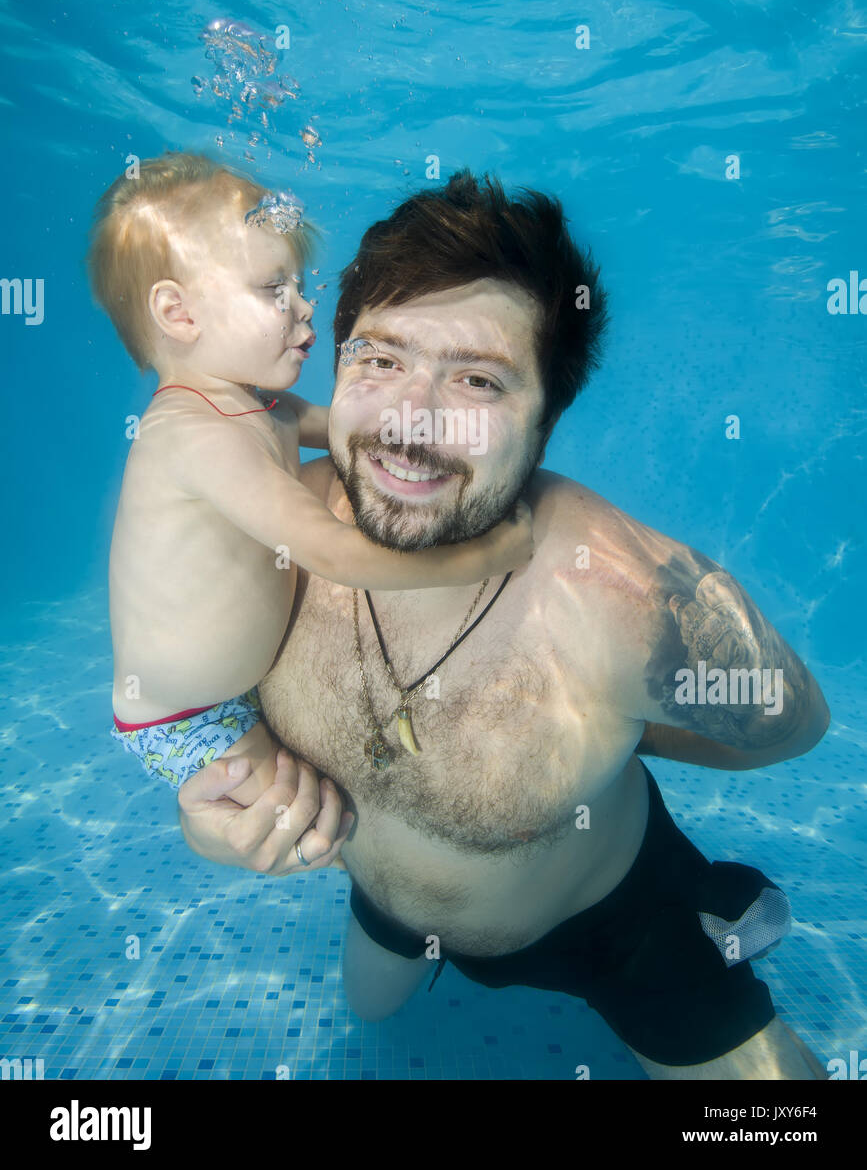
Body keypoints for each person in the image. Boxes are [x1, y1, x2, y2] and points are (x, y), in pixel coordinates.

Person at [176, 169, 831, 1080]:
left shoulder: (630, 599)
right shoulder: (265, 537)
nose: (410, 421)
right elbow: (198, 710)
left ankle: (708, 898)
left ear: (546, 421)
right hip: (397, 906)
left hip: (615, 920)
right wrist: (210, 816)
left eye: (477, 379)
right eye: (379, 359)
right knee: (368, 1011)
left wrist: (621, 726)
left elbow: (793, 724)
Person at [87, 154, 531, 797]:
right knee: (325, 814)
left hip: (235, 694)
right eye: (273, 290)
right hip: (190, 720)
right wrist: (486, 555)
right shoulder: (198, 435)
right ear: (180, 315)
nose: (306, 307)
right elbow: (333, 552)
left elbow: (365, 430)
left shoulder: (262, 406)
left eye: (299, 284)